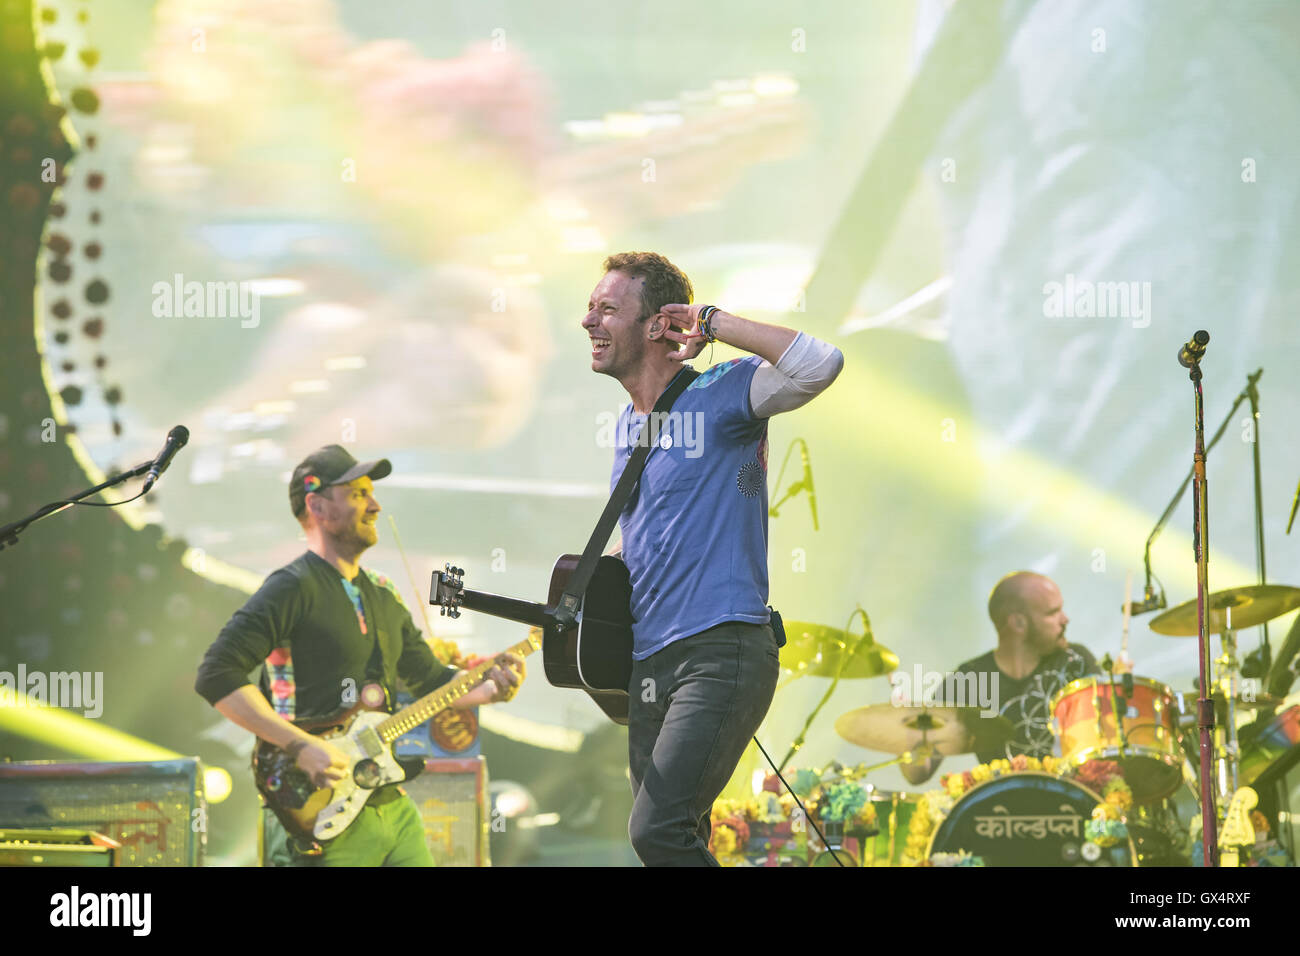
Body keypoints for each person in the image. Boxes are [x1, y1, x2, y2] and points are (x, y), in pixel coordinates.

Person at [583, 251, 844, 865]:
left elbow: (820, 363)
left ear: (656, 325)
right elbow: (649, 534)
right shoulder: (628, 426)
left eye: (608, 309)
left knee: (657, 830)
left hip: (719, 649)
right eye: (590, 307)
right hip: (650, 662)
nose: (589, 321)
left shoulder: (721, 393)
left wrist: (710, 320)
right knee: (674, 841)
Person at [195, 444, 524, 866]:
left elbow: (433, 683)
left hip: (389, 803)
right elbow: (216, 674)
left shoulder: (382, 594)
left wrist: (489, 691)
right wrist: (299, 746)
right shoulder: (291, 587)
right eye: (357, 494)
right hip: (316, 810)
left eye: (371, 492)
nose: (375, 505)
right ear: (318, 506)